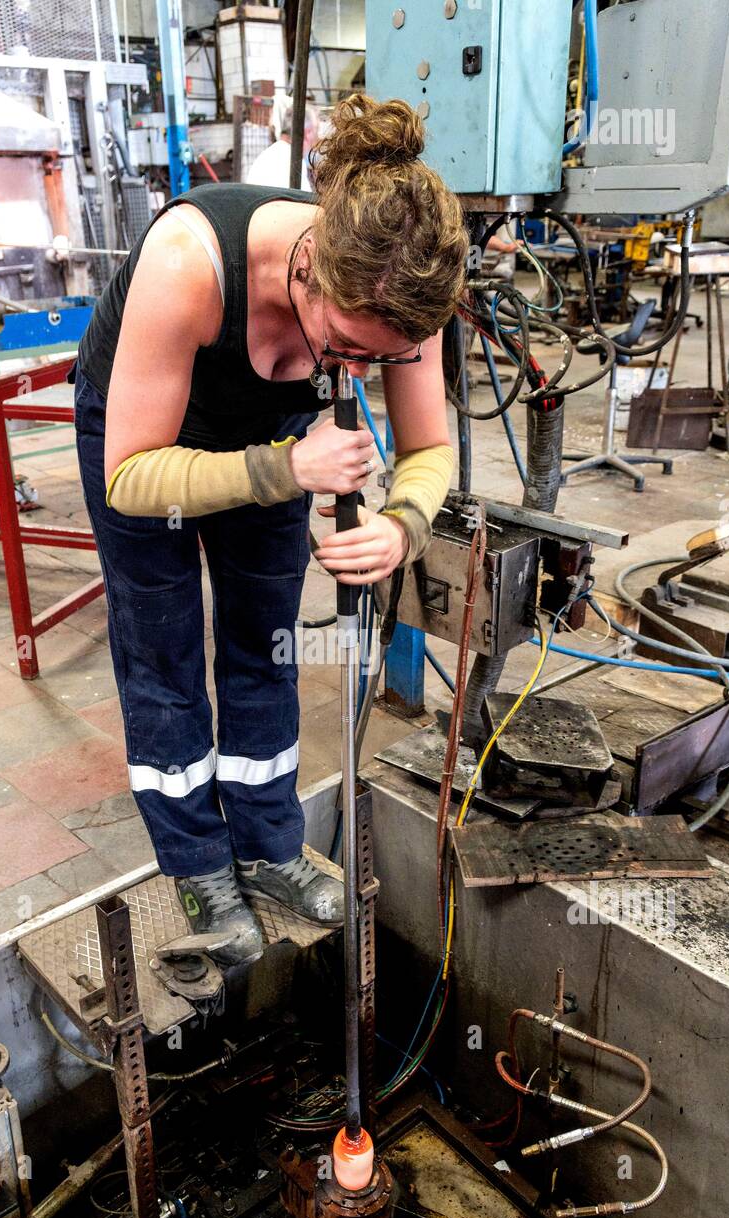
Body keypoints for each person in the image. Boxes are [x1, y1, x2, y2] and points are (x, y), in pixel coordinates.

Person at [73, 95, 468, 967]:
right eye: (347, 348)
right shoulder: (190, 263)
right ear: (309, 270)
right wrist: (286, 469)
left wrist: (403, 524)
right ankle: (198, 865)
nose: (362, 372)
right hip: (145, 435)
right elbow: (133, 478)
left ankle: (268, 845)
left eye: (384, 359)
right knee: (163, 642)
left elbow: (430, 446)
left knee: (267, 637)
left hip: (284, 445)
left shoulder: (405, 302)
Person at [244, 98, 319, 191]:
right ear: (308, 133)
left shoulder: (270, 154)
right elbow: (305, 203)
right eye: (316, 130)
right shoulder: (294, 161)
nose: (317, 137)